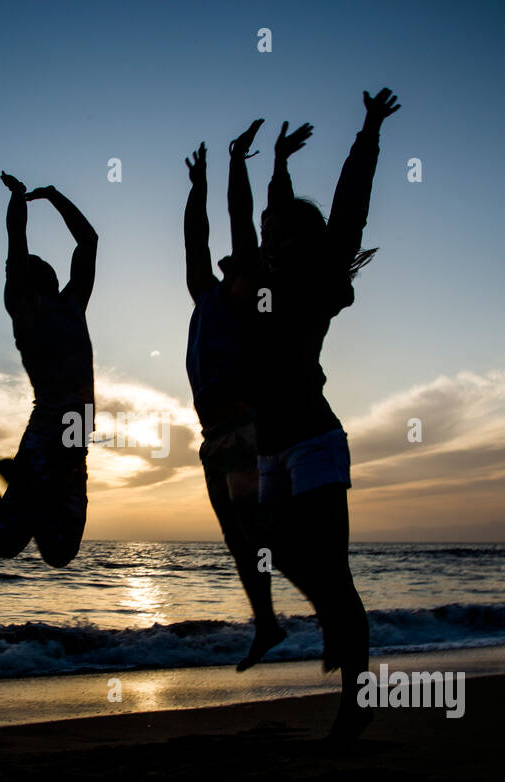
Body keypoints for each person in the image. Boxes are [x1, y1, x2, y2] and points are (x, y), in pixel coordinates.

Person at [247, 89, 400, 743]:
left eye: (285, 237)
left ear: (308, 244)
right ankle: (339, 630)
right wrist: (277, 163)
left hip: (313, 437)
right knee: (275, 551)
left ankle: (355, 699)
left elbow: (351, 206)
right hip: (268, 443)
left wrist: (367, 130)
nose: (273, 244)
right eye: (268, 236)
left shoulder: (316, 280)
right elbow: (271, 216)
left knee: (333, 572)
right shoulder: (260, 284)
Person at [183, 122, 314, 671]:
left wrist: (240, 163)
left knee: (262, 535)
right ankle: (267, 623)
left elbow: (240, 223)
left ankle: (326, 603)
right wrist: (198, 183)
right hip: (214, 438)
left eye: (241, 265)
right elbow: (196, 240)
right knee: (240, 542)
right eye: (230, 267)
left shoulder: (252, 302)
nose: (230, 265)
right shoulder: (207, 295)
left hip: (244, 429)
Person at [0, 173, 97, 568]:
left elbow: (88, 242)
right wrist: (18, 197)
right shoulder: (25, 310)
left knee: (60, 552)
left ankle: (15, 474)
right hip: (52, 428)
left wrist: (53, 195)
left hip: (76, 431)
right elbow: (17, 244)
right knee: (4, 543)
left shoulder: (72, 303)